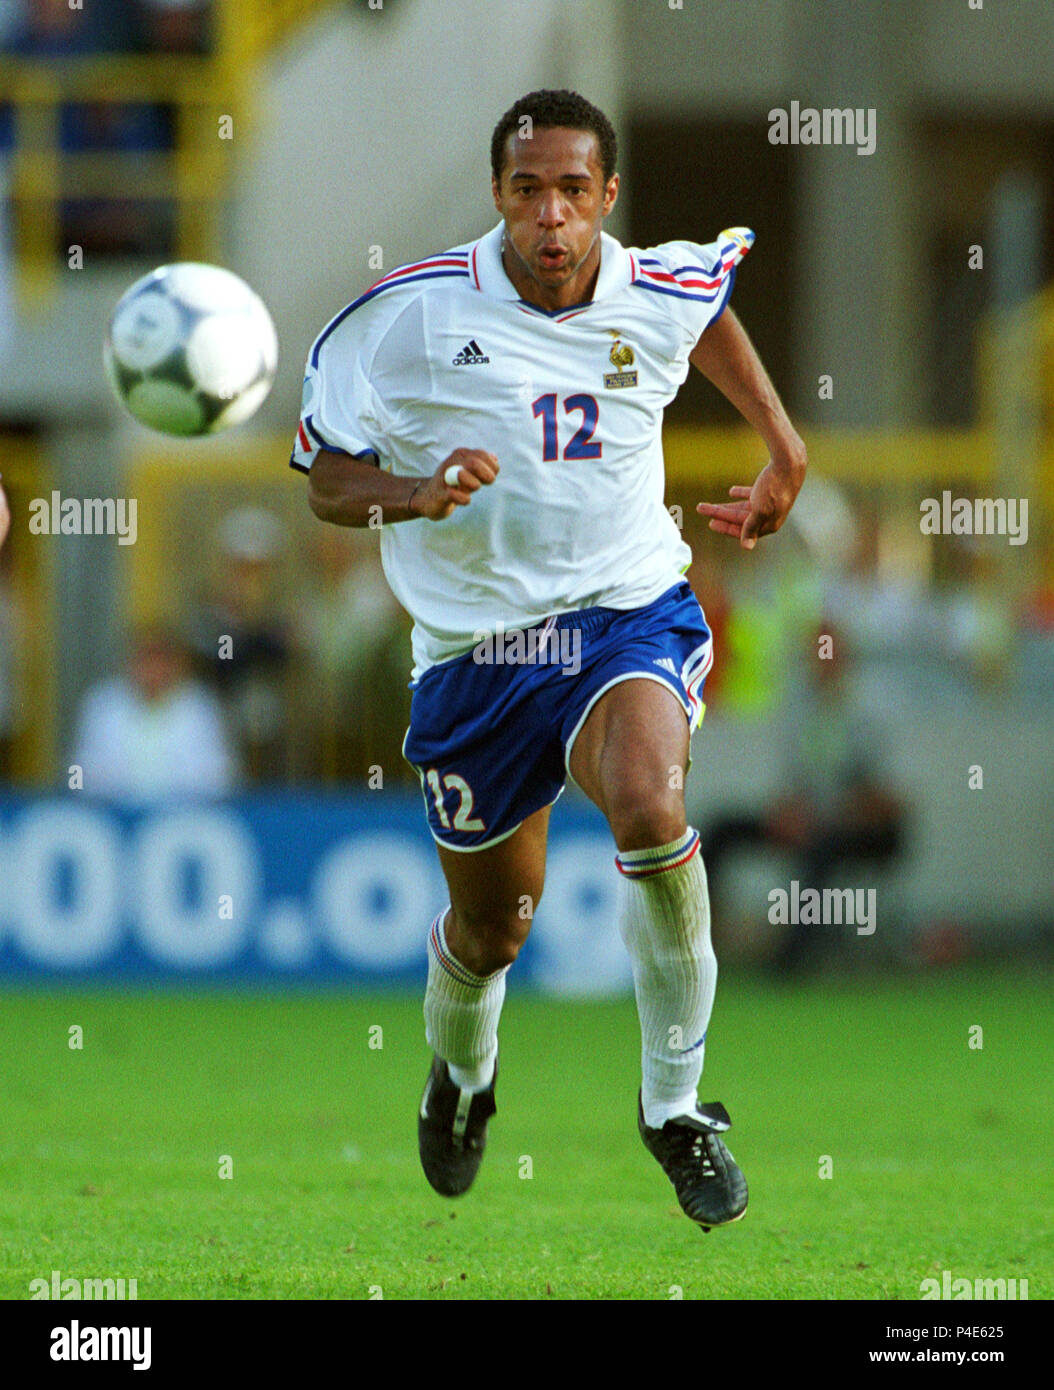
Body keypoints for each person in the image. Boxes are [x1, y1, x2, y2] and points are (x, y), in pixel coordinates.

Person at [293, 90, 807, 1233]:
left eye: (574, 190)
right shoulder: (408, 316)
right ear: (498, 196)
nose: (553, 216)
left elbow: (704, 306)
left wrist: (783, 443)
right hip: (476, 655)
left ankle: (674, 1107)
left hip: (623, 612)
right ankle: (463, 1080)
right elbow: (327, 477)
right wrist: (413, 492)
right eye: (529, 190)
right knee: (492, 930)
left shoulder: (654, 281)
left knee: (646, 800)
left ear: (606, 197)